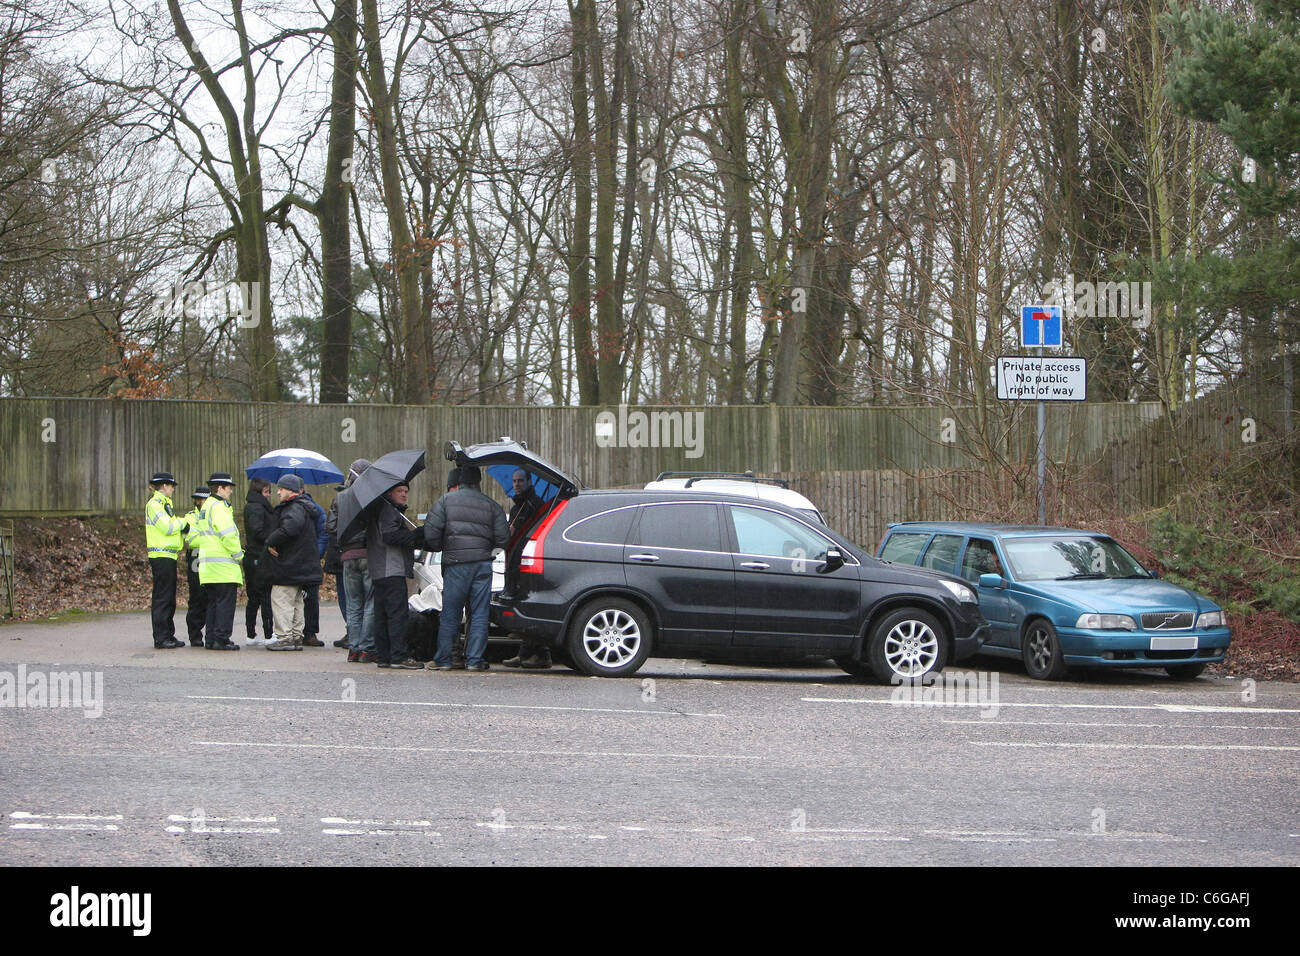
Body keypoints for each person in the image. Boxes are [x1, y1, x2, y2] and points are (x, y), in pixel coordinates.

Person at [424, 465, 507, 673]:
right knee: (479, 612)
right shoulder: (492, 505)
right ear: (479, 482)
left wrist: (444, 546)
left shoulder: (445, 501)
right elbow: (503, 538)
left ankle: (444, 659)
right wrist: (488, 549)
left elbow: (431, 535)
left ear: (458, 482)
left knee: (451, 612)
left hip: (456, 564)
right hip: (482, 564)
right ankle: (474, 660)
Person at [261, 475, 323, 651]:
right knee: (296, 601)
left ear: (290, 490)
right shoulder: (305, 507)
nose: (278, 491)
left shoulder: (293, 508)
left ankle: (285, 637)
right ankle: (296, 636)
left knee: (281, 598)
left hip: (289, 564)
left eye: (281, 488)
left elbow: (289, 528)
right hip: (301, 564)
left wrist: (270, 541)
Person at [366, 483, 421, 669]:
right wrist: (414, 535)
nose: (404, 495)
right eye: (400, 491)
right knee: (397, 615)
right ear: (389, 492)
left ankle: (384, 656)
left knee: (381, 615)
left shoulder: (377, 509)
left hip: (378, 569)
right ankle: (399, 656)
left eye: (406, 491)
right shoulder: (389, 510)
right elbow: (389, 536)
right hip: (392, 568)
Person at [502, 470, 551, 669]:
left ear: (529, 482)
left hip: (526, 562)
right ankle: (524, 652)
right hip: (514, 560)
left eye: (520, 480)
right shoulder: (518, 507)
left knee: (529, 607)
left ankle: (540, 654)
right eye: (514, 481)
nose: (516, 484)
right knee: (521, 607)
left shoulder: (534, 505)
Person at [331, 458, 376, 663]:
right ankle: (367, 648)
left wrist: (345, 539)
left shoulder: (340, 498)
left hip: (347, 555)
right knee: (370, 603)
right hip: (368, 554)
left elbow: (330, 527)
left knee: (353, 604)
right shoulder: (373, 497)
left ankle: (354, 649)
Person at [198, 472, 244, 650]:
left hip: (210, 568)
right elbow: (228, 535)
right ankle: (221, 638)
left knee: (213, 604)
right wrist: (239, 555)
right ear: (219, 488)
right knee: (225, 605)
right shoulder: (218, 507)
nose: (231, 491)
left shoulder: (207, 506)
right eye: (228, 488)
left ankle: (211, 638)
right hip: (223, 567)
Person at [144, 471, 186, 649]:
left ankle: (168, 634)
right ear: (164, 486)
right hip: (160, 556)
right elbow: (167, 527)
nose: (173, 490)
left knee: (169, 598)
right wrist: (184, 523)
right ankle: (161, 637)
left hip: (168, 555)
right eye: (171, 486)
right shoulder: (154, 504)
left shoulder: (164, 504)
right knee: (162, 598)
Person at [242, 478, 275, 646]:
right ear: (259, 491)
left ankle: (251, 633)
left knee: (254, 597)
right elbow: (257, 531)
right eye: (266, 492)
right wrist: (272, 540)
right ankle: (268, 634)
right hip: (258, 556)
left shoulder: (253, 506)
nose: (269, 495)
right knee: (263, 596)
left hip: (254, 555)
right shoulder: (257, 507)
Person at [298, 485, 329, 647]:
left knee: (310, 597)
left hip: (309, 560)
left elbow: (323, 534)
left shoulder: (315, 510)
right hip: (296, 559)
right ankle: (296, 632)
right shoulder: (287, 508)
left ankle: (310, 632)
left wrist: (316, 554)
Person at [182, 486, 210, 647]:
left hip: (212, 557)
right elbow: (192, 540)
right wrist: (211, 538)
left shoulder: (215, 514)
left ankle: (210, 632)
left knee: (210, 597)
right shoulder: (191, 517)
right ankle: (195, 635)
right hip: (196, 557)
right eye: (201, 499)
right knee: (197, 597)